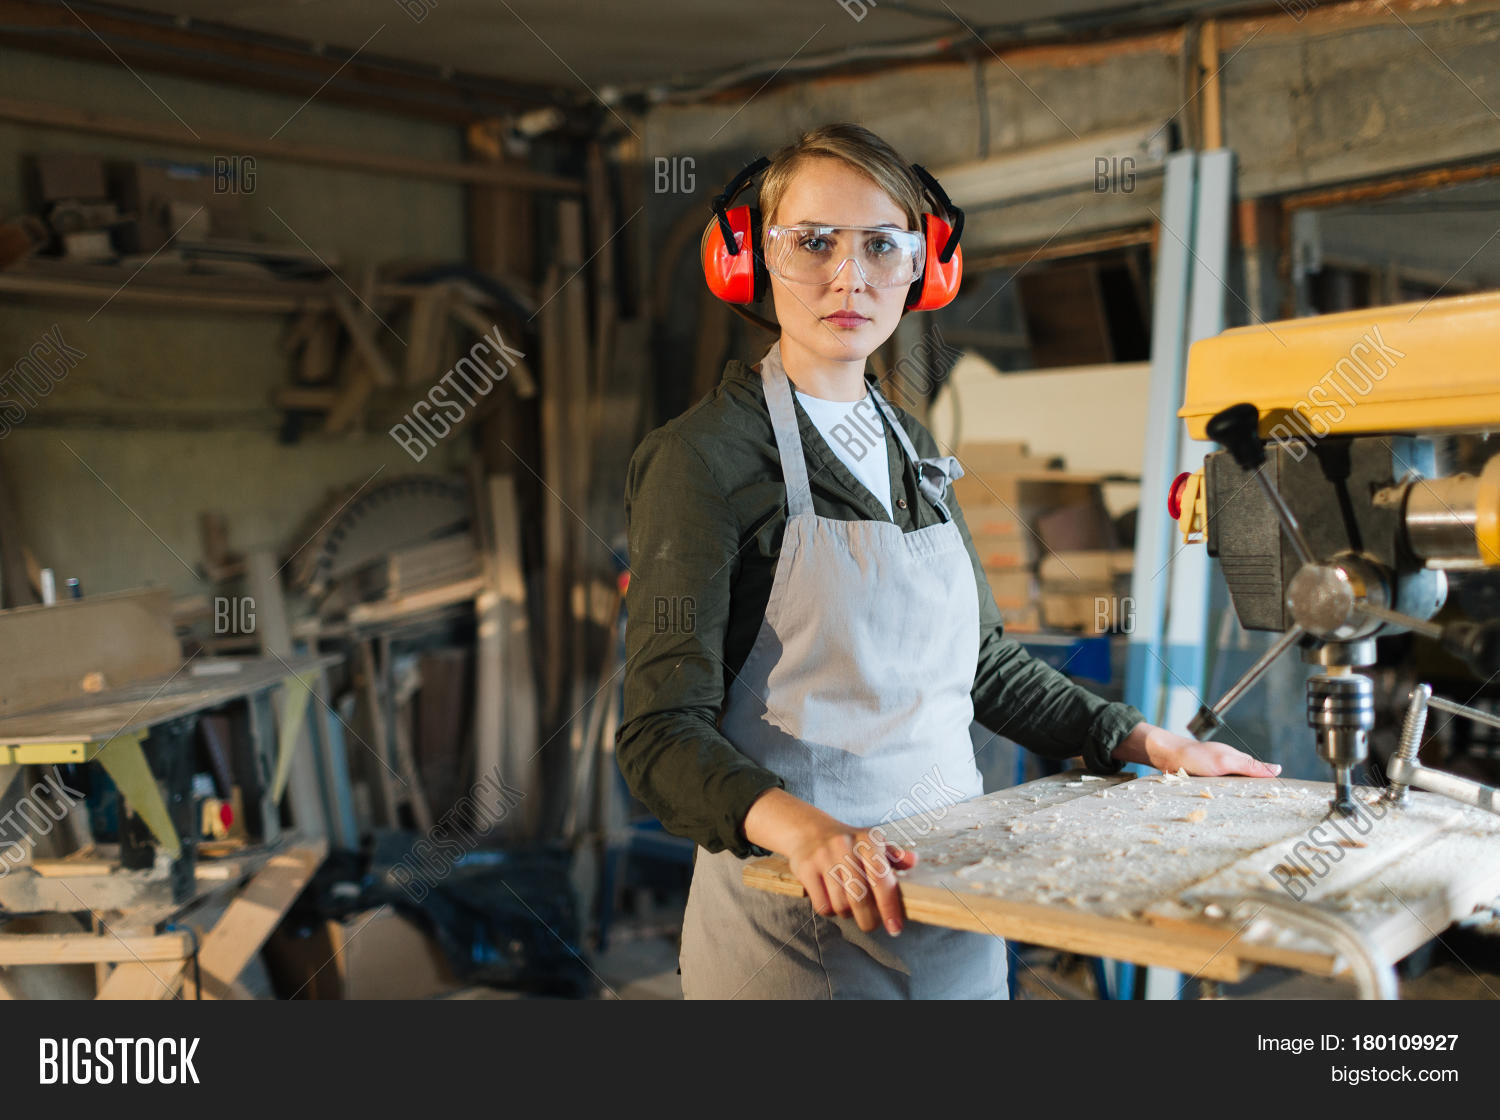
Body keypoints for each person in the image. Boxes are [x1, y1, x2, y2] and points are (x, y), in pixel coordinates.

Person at [615, 122, 1279, 1000]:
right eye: (812, 242)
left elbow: (984, 663)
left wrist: (1139, 738)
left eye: (882, 245)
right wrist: (809, 833)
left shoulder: (912, 447)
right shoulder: (702, 459)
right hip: (796, 921)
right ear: (749, 258)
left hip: (946, 896)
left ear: (923, 268)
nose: (848, 277)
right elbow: (659, 735)